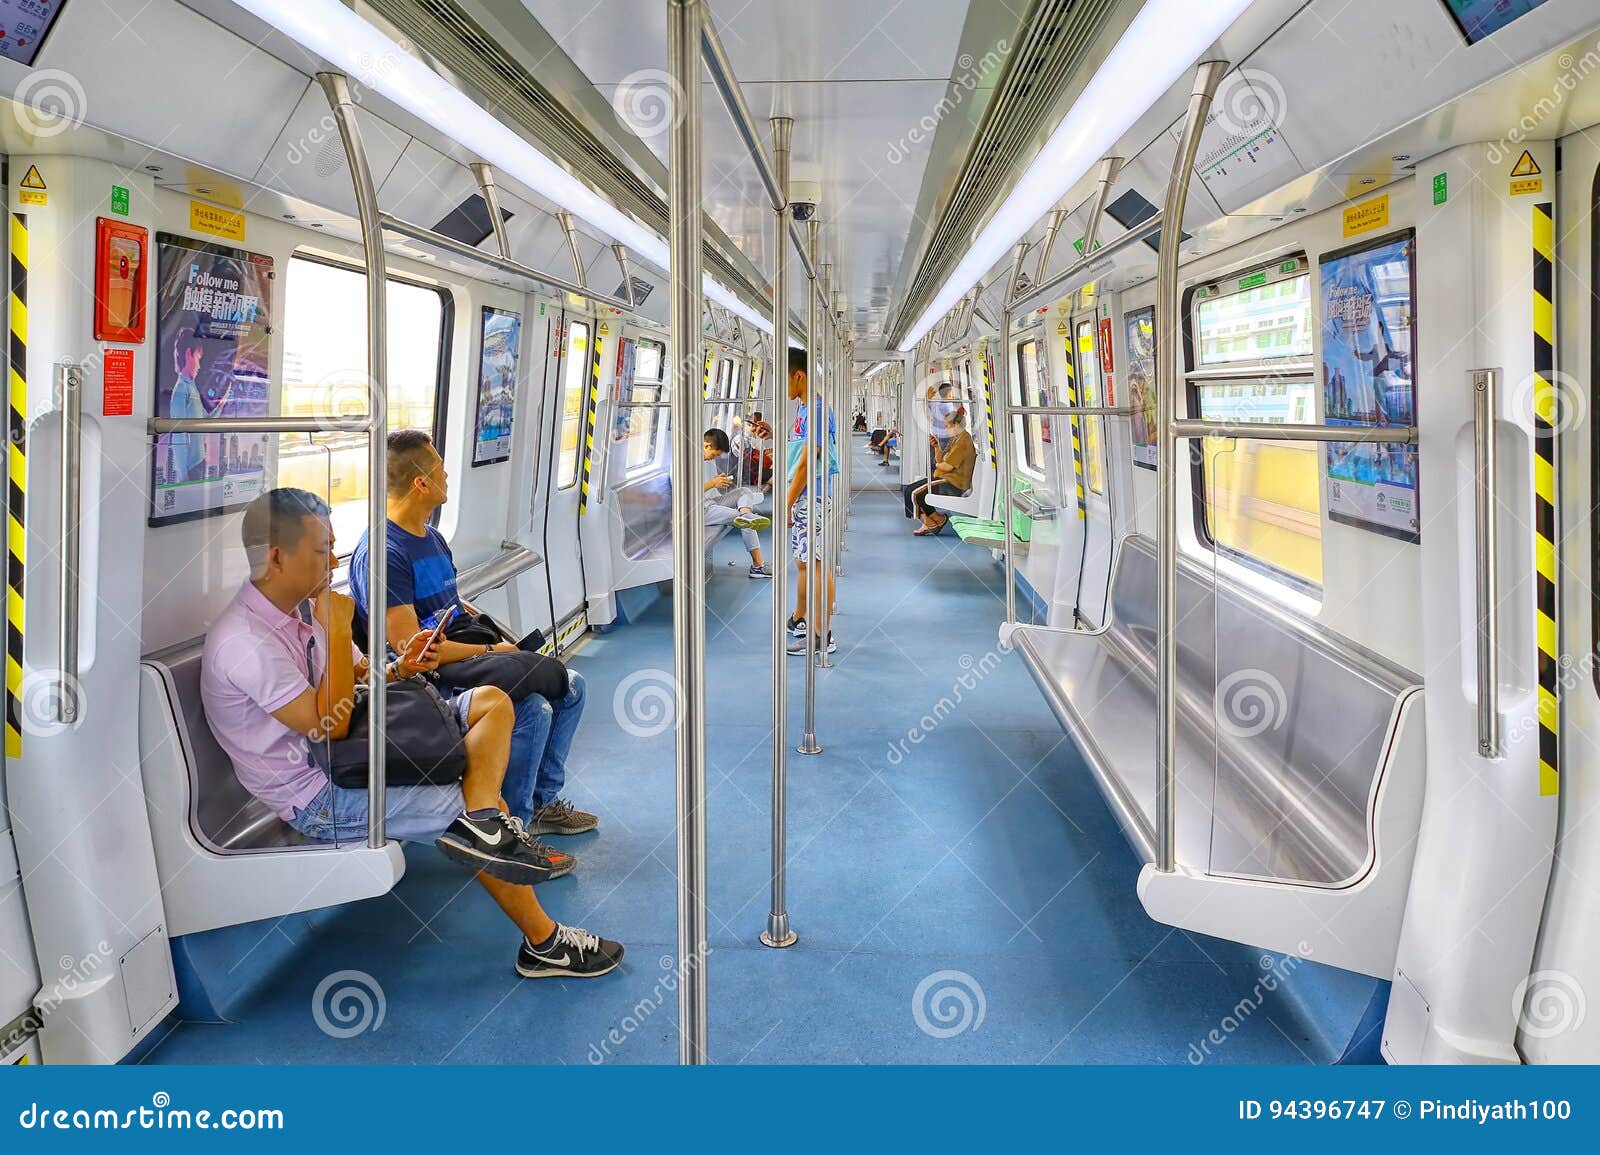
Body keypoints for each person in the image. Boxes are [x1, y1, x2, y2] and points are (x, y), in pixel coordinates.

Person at [203, 488, 623, 979]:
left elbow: (360, 678)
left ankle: (487, 819)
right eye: (322, 550)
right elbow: (327, 723)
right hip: (319, 792)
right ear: (277, 557)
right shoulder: (246, 643)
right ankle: (543, 945)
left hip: (353, 746)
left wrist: (403, 665)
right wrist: (339, 629)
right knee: (466, 811)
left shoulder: (301, 611)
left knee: (495, 702)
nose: (333, 560)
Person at [352, 430, 593, 843]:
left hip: (462, 658)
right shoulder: (384, 553)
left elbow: (454, 605)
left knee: (571, 687)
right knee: (534, 709)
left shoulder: (432, 538)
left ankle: (539, 804)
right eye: (442, 471)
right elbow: (413, 650)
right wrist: (490, 649)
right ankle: (510, 829)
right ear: (421, 483)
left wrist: (500, 638)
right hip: (423, 682)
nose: (447, 477)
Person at [783, 348, 839, 657]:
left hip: (811, 496)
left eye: (784, 380)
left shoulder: (816, 409)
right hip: (805, 495)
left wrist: (785, 503)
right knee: (804, 561)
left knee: (817, 563)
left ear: (798, 376)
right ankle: (802, 617)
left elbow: (807, 463)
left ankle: (823, 635)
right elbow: (799, 452)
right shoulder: (804, 410)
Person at [703, 427, 773, 578]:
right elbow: (682, 493)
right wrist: (712, 483)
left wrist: (719, 481)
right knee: (745, 521)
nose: (713, 458)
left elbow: (709, 486)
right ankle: (758, 566)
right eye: (714, 454)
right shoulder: (684, 463)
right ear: (706, 445)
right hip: (698, 511)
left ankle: (746, 513)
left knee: (744, 492)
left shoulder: (705, 459)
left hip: (709, 502)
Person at [911, 409, 976, 536]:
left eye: (947, 426)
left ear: (956, 425)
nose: (946, 429)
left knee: (914, 494)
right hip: (945, 478)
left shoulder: (963, 441)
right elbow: (941, 459)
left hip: (953, 483)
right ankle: (935, 520)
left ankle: (930, 522)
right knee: (911, 490)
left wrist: (937, 465)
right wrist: (936, 447)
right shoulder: (956, 439)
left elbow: (947, 466)